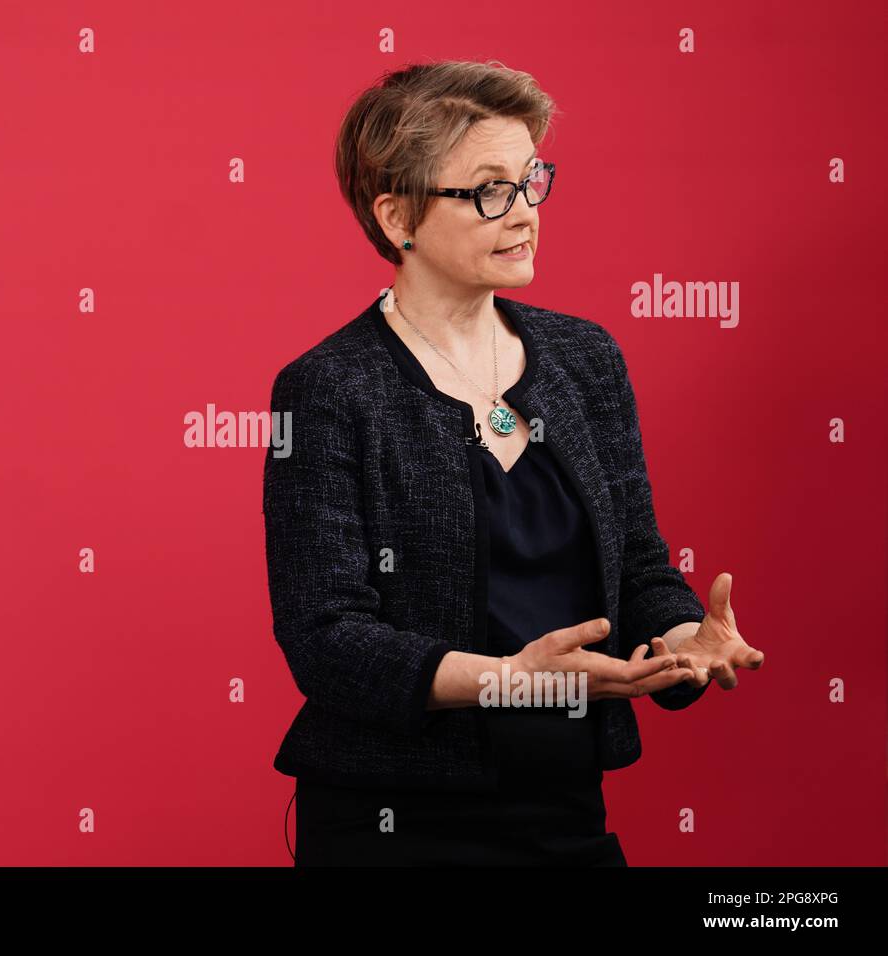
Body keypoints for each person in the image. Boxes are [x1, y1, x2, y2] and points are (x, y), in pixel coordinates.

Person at [261, 60, 765, 866]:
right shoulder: (328, 387)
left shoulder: (584, 357)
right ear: (398, 218)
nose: (524, 212)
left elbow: (636, 565)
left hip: (564, 804)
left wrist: (682, 639)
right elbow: (327, 641)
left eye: (532, 180)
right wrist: (507, 679)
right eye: (490, 190)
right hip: (395, 823)